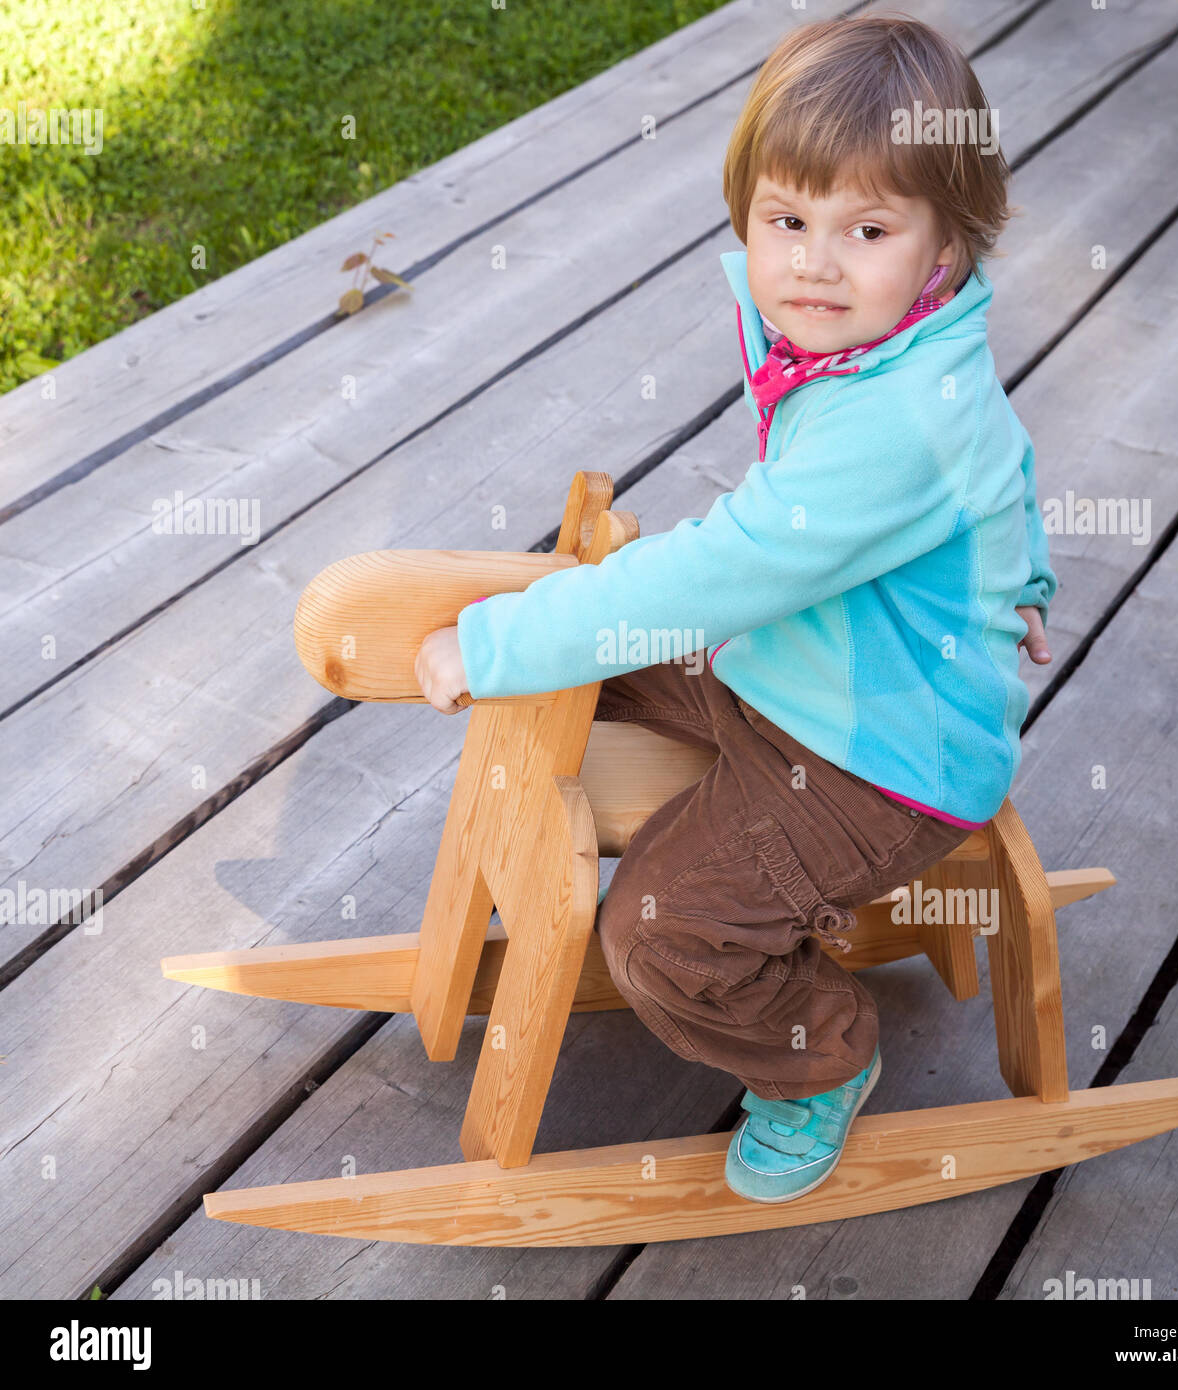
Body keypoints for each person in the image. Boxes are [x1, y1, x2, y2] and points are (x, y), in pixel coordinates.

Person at [415, 12, 1057, 1205]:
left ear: (946, 248)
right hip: (796, 671)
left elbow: (714, 574)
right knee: (592, 662)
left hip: (874, 757)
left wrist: (499, 639)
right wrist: (1015, 575)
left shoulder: (892, 416)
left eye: (865, 229)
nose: (813, 262)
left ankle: (817, 1052)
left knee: (657, 930)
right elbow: (1001, 471)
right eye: (786, 220)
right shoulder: (887, 341)